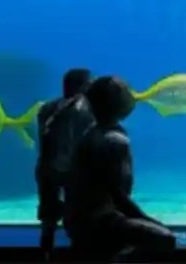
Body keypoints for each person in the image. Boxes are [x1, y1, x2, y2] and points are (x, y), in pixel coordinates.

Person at [64, 75, 175, 260]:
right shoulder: (115, 141)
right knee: (165, 239)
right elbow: (119, 198)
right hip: (99, 221)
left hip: (76, 221)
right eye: (126, 92)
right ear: (116, 102)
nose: (132, 95)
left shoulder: (91, 133)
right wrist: (153, 222)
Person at [36, 68, 96, 259]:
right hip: (76, 170)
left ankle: (46, 252)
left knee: (48, 218)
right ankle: (79, 253)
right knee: (78, 217)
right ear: (84, 86)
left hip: (47, 167)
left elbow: (44, 141)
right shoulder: (86, 109)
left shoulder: (46, 107)